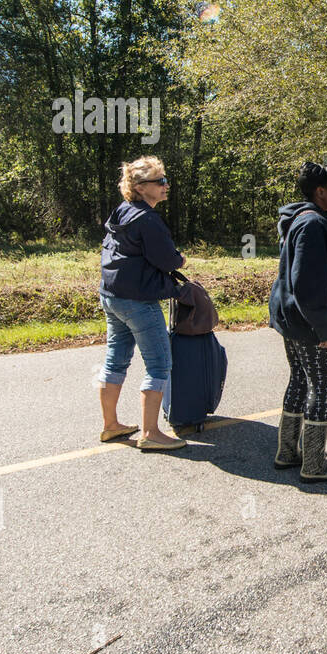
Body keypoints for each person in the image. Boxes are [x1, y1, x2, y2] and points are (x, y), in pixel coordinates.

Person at [269, 162, 327, 482]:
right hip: (309, 325)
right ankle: (315, 464)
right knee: (319, 389)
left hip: (292, 320)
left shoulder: (304, 220)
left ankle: (288, 452)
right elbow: (306, 284)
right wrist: (324, 329)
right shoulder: (313, 226)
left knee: (299, 381)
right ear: (320, 192)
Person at [97, 156, 187, 451]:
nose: (165, 186)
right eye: (159, 181)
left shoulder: (122, 212)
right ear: (139, 187)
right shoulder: (147, 219)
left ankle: (111, 425)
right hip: (138, 300)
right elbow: (166, 259)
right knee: (160, 363)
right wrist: (181, 260)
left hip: (111, 296)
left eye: (164, 180)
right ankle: (151, 433)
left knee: (116, 359)